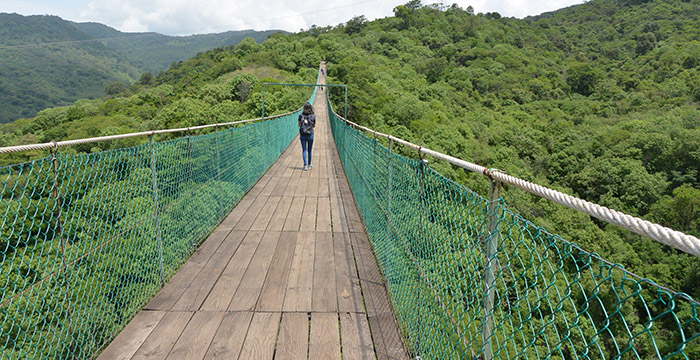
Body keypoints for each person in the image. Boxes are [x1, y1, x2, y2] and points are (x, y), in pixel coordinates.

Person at [298, 102, 316, 170]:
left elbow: (299, 125)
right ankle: (310, 164)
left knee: (304, 150)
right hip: (310, 134)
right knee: (310, 150)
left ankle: (305, 165)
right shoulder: (313, 116)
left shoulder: (300, 115)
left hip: (303, 134)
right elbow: (314, 125)